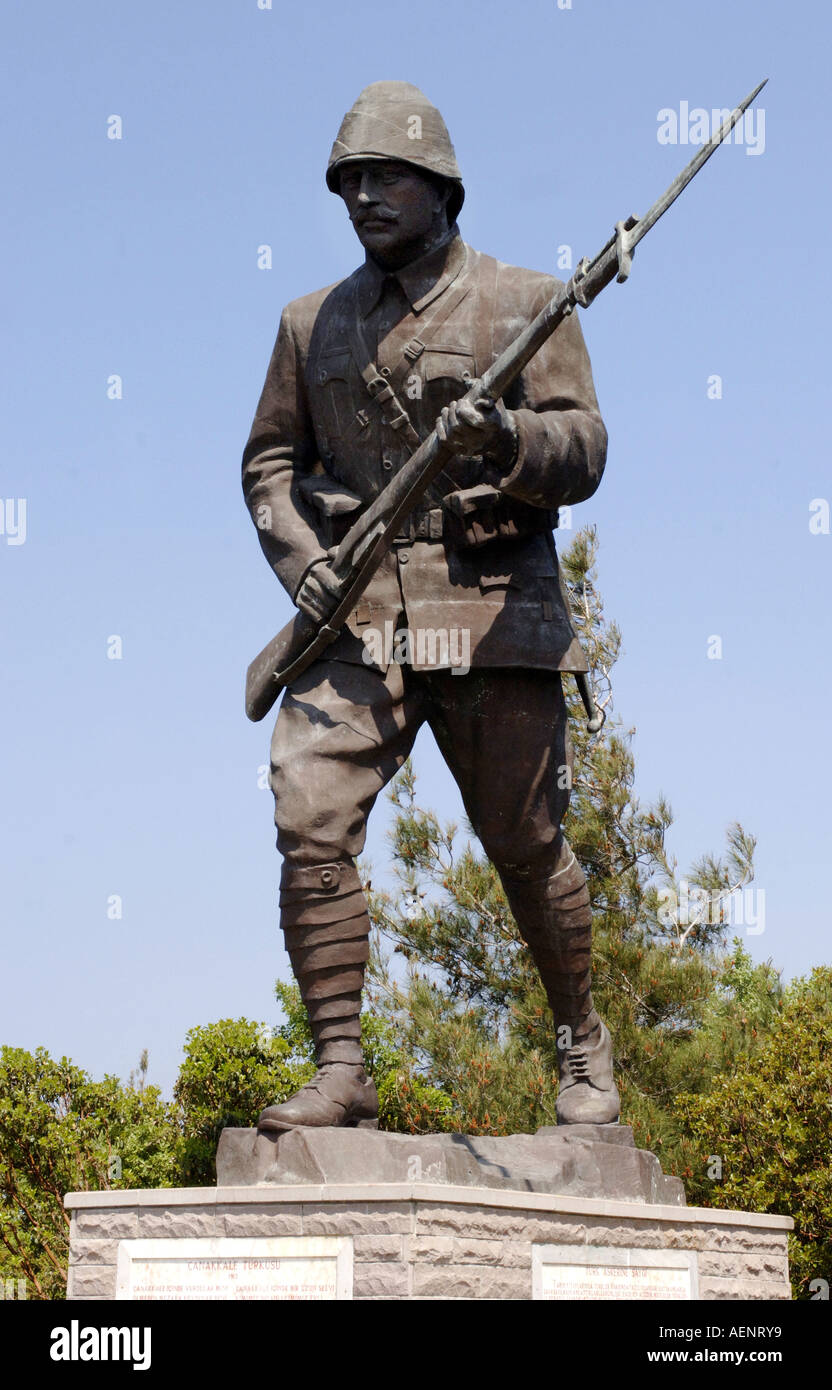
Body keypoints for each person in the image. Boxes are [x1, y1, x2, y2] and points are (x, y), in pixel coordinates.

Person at [242, 81, 620, 1132]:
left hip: (490, 609)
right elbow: (272, 462)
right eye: (347, 181)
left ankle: (581, 1045)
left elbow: (583, 448)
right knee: (305, 810)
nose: (363, 196)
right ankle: (340, 1067)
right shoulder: (308, 323)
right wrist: (302, 560)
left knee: (522, 838)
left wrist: (505, 440)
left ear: (442, 187)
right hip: (358, 613)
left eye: (384, 177)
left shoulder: (524, 302)